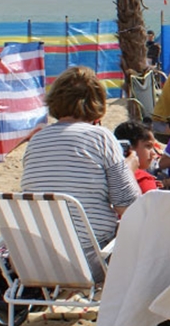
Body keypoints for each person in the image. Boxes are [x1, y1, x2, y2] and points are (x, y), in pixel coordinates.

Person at [21, 66, 141, 249]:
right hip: (89, 255)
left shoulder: (36, 140)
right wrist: (129, 168)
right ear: (96, 101)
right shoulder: (101, 137)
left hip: (37, 256)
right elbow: (129, 207)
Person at [113, 120, 162, 194]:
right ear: (130, 147)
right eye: (148, 146)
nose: (153, 153)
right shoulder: (143, 180)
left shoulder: (108, 175)